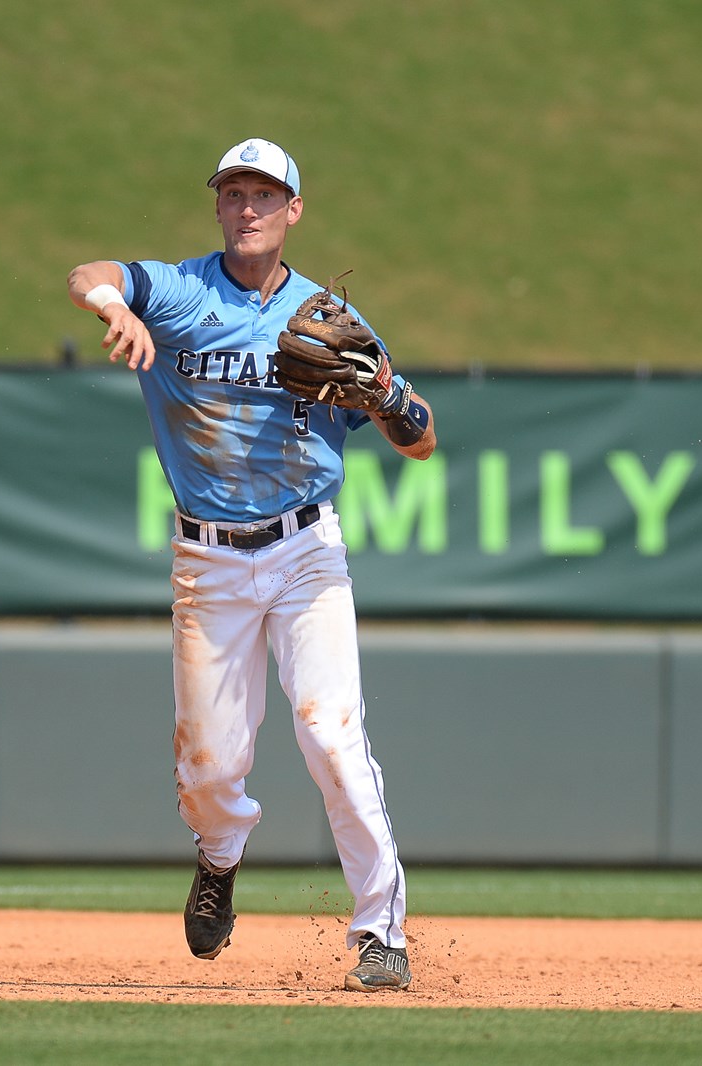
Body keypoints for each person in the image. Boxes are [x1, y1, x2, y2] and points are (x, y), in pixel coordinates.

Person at [67, 137, 435, 993]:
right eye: (233, 193)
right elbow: (89, 272)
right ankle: (221, 854)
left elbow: (420, 439)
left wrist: (385, 394)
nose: (247, 208)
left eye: (264, 195)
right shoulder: (181, 292)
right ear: (218, 206)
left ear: (293, 211)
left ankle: (381, 932)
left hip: (306, 551)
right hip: (210, 561)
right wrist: (113, 305)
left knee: (332, 735)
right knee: (208, 769)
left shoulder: (326, 315)